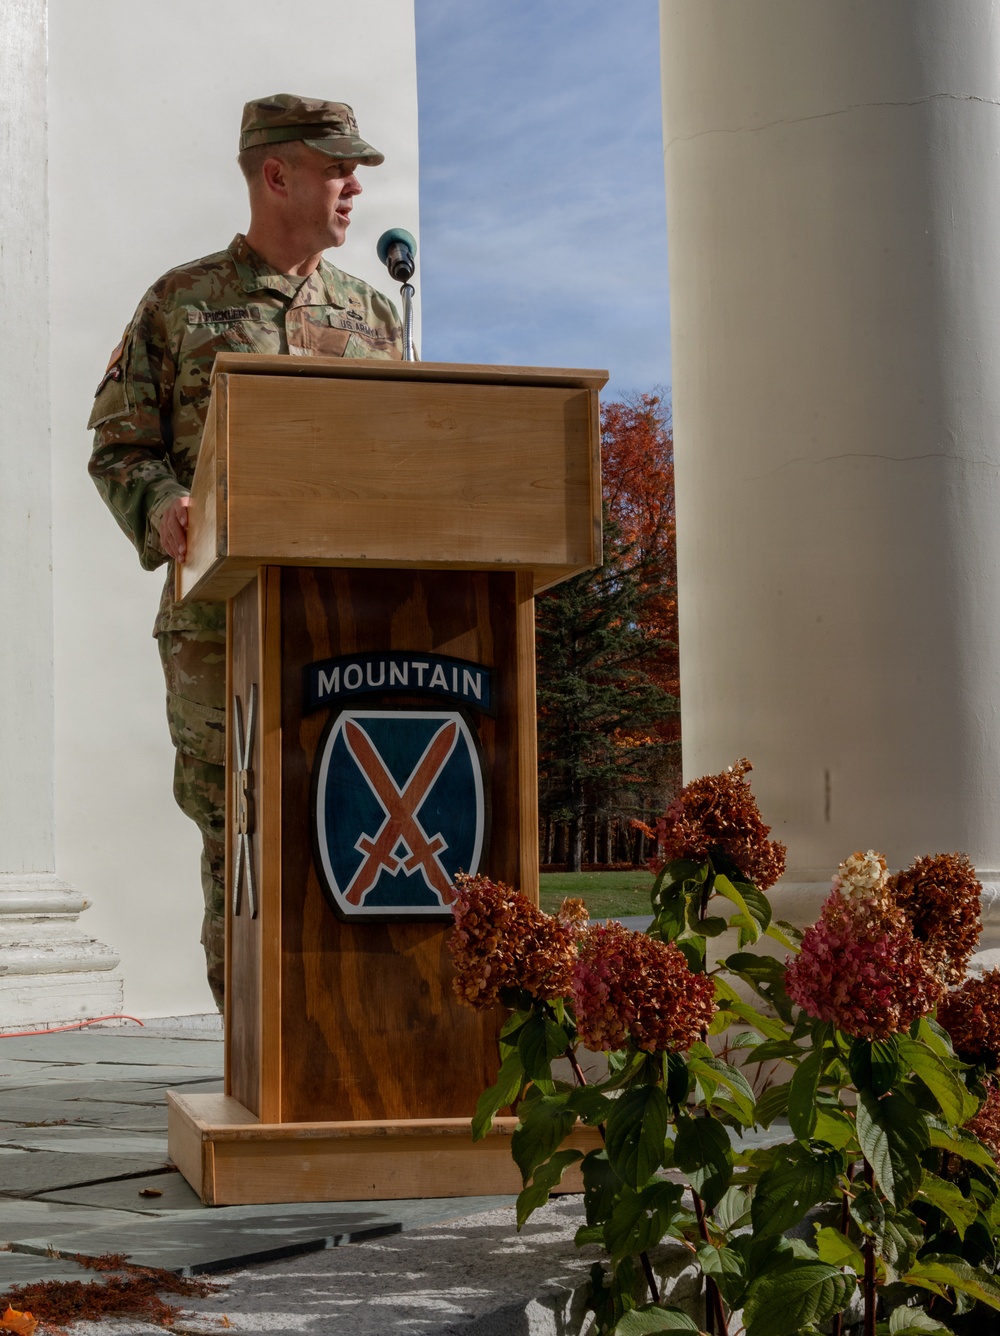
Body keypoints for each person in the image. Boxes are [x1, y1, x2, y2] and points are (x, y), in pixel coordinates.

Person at [88, 95, 404, 1008]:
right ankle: (249, 1057)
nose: (354, 187)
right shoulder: (181, 304)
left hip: (354, 621)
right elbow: (119, 446)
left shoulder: (376, 316)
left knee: (350, 816)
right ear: (277, 174)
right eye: (338, 167)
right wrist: (163, 506)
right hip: (217, 629)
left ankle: (349, 1049)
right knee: (241, 833)